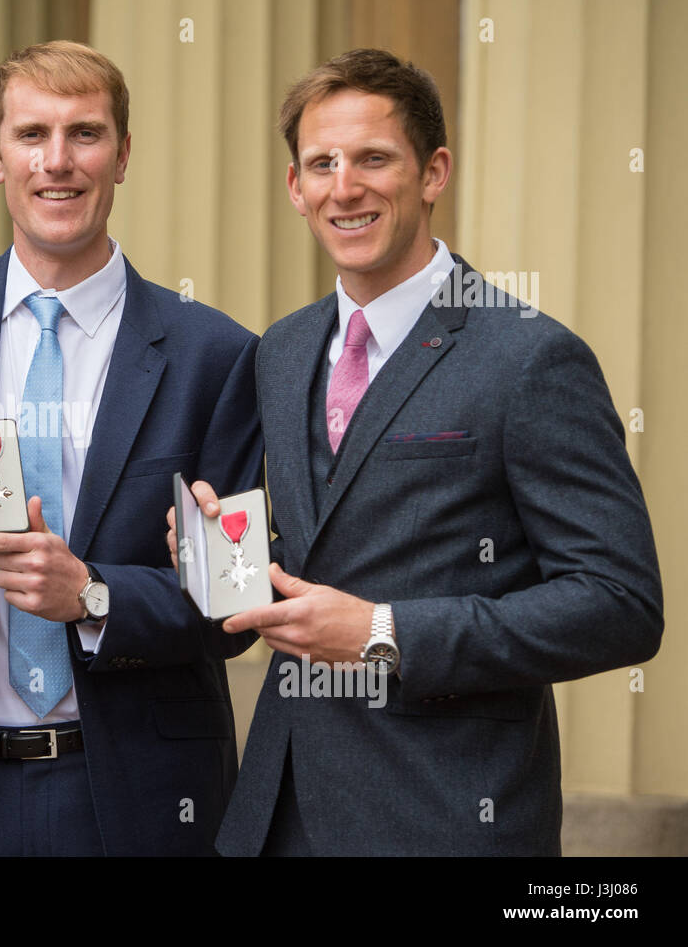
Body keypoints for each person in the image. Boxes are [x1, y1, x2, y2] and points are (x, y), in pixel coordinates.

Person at [171, 48, 662, 855]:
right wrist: (223, 559)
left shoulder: (530, 358)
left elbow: (620, 605)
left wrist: (384, 632)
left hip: (446, 817)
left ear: (433, 172)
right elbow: (328, 543)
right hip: (276, 812)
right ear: (296, 188)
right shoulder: (282, 351)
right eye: (321, 163)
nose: (345, 185)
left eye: (374, 159)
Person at [0, 41, 263, 856]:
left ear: (122, 155)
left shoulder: (214, 353)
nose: (58, 162)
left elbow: (235, 609)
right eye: (32, 135)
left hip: (136, 794)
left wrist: (93, 595)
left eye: (86, 134)